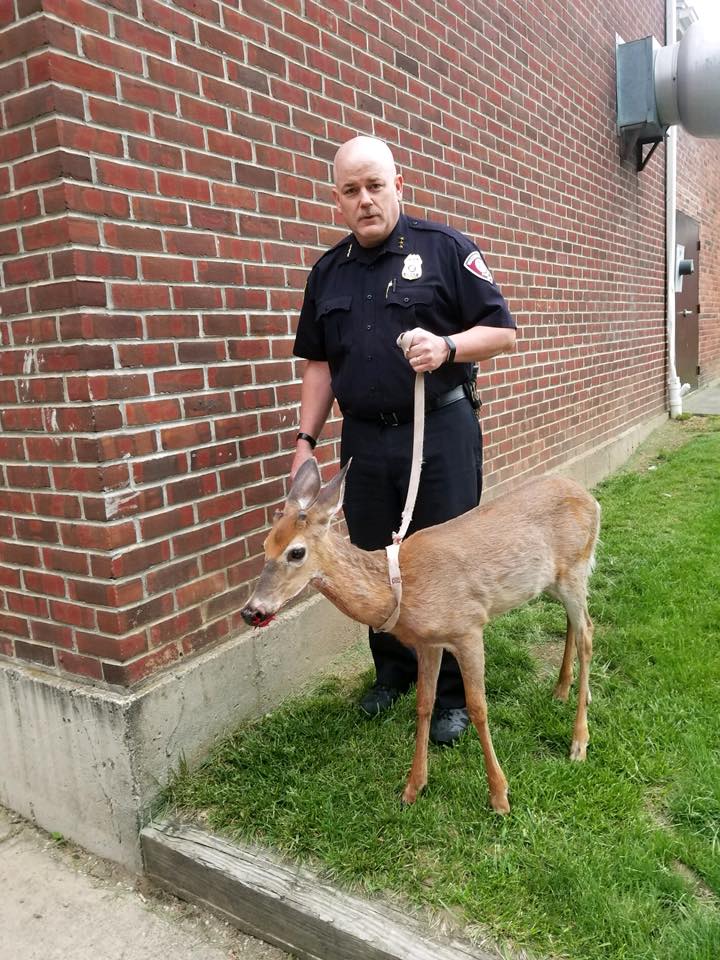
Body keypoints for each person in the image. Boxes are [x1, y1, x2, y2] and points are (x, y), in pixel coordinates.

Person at [290, 136, 516, 746]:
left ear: (397, 184)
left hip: (440, 432)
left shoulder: (445, 251)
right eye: (350, 190)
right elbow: (318, 364)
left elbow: (501, 331)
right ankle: (391, 672)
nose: (364, 200)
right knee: (368, 558)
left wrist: (447, 347)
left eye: (374, 186)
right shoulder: (327, 273)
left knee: (443, 562)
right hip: (364, 442)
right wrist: (305, 439)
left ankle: (449, 697)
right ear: (337, 199)